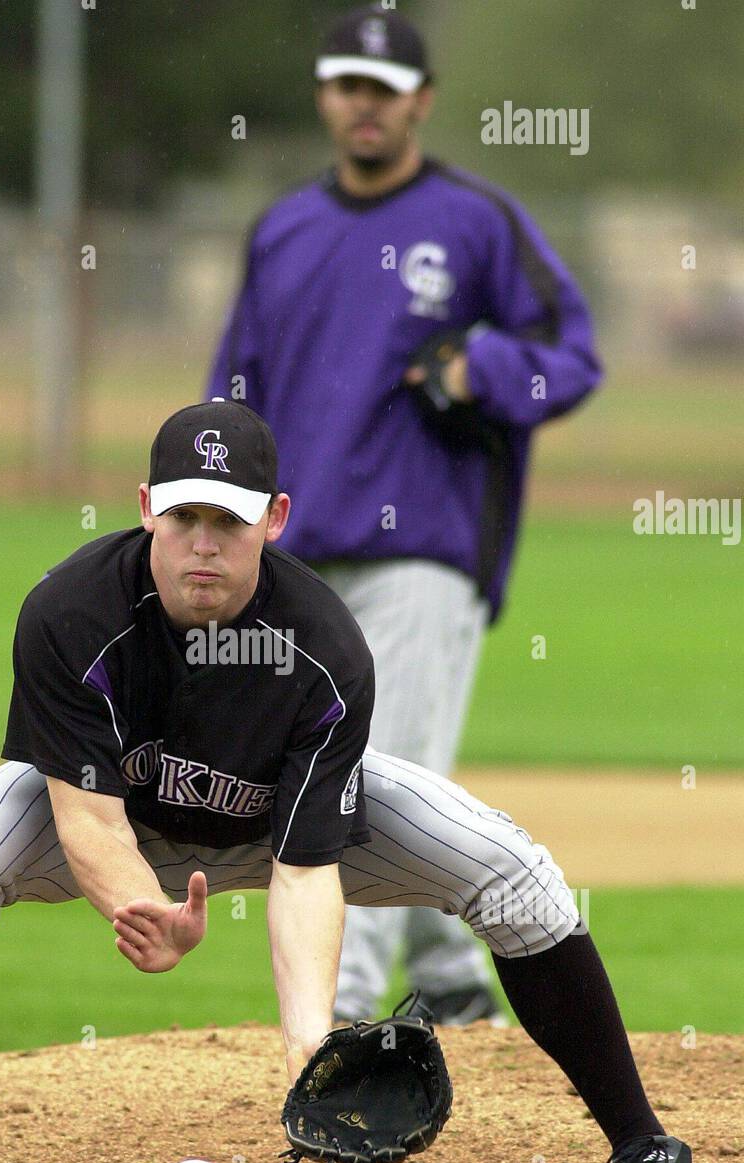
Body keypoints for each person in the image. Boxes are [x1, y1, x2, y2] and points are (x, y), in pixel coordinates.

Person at [0, 401, 721, 1163]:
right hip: (120, 829)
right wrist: (146, 910)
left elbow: (306, 869)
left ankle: (645, 1154)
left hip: (272, 828)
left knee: (516, 874)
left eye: (229, 519)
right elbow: (87, 819)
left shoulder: (326, 649)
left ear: (277, 518)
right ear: (145, 509)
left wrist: (312, 1046)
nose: (203, 546)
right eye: (184, 518)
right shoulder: (70, 613)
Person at [207, 6, 603, 1027]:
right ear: (324, 96)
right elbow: (234, 394)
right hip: (295, 553)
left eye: (383, 88)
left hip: (423, 549)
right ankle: (457, 980)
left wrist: (488, 367)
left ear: (420, 101)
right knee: (380, 772)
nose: (363, 103)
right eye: (346, 84)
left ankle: (330, 1014)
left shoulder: (477, 221)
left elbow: (574, 356)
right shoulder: (285, 227)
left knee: (364, 774)